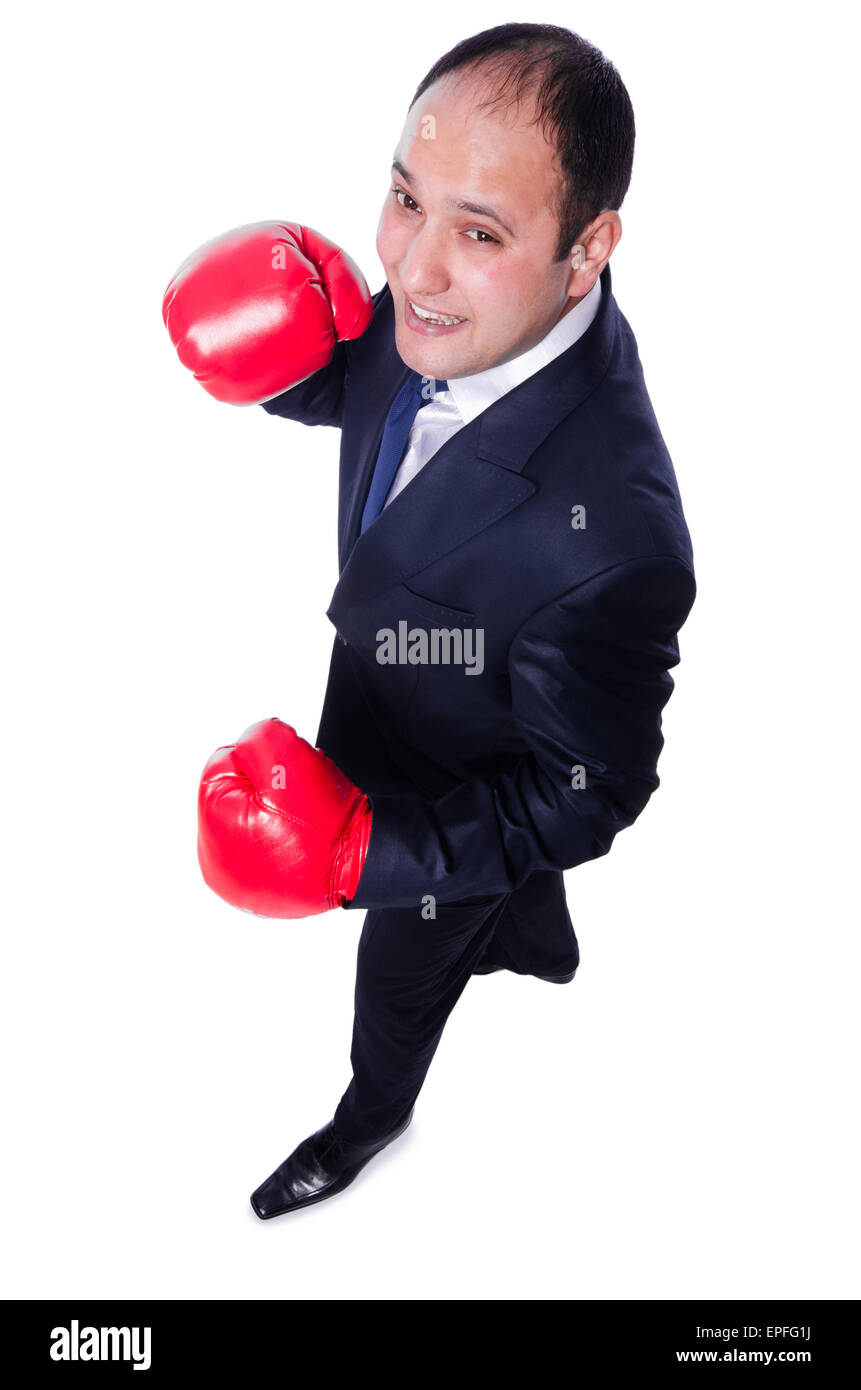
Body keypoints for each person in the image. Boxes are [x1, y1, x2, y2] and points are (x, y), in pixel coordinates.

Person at [162, 22, 696, 1220]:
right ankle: (532, 932)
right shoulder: (460, 309)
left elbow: (584, 790)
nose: (412, 268)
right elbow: (378, 395)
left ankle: (368, 1121)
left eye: (480, 231)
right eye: (406, 197)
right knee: (511, 910)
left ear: (589, 248)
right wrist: (286, 363)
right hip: (394, 687)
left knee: (399, 982)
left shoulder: (615, 544)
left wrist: (366, 856)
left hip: (448, 799)